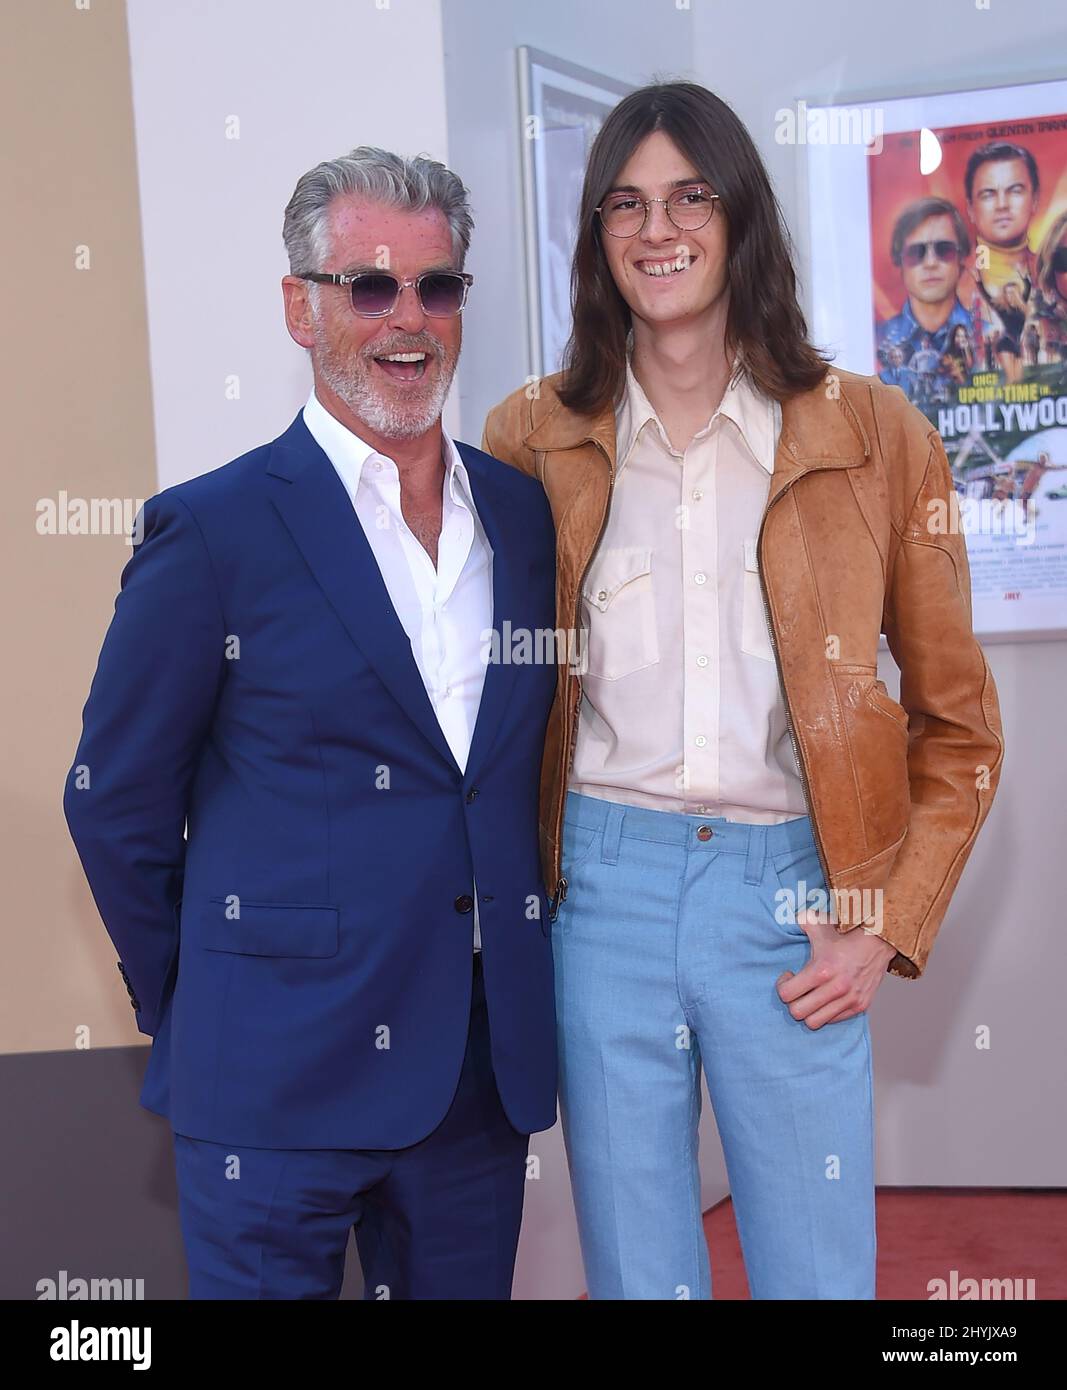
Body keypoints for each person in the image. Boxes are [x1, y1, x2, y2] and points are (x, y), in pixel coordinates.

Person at [482, 80, 1004, 1301]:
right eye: (624, 203)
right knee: (635, 1272)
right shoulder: (529, 436)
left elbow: (958, 725)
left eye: (688, 197)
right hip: (597, 895)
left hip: (792, 894)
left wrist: (883, 916)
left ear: (741, 219)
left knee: (816, 1274)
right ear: (596, 235)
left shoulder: (873, 436)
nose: (655, 229)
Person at [63, 147, 559, 1300]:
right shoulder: (213, 531)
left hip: (472, 1085)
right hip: (268, 1086)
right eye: (369, 286)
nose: (407, 319)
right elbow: (112, 800)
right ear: (300, 306)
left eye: (436, 287)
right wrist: (198, 999)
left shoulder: (523, 518)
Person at [877, 196, 972, 361]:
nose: (930, 263)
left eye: (944, 250)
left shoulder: (990, 336)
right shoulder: (876, 341)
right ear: (900, 263)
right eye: (916, 252)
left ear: (961, 259)